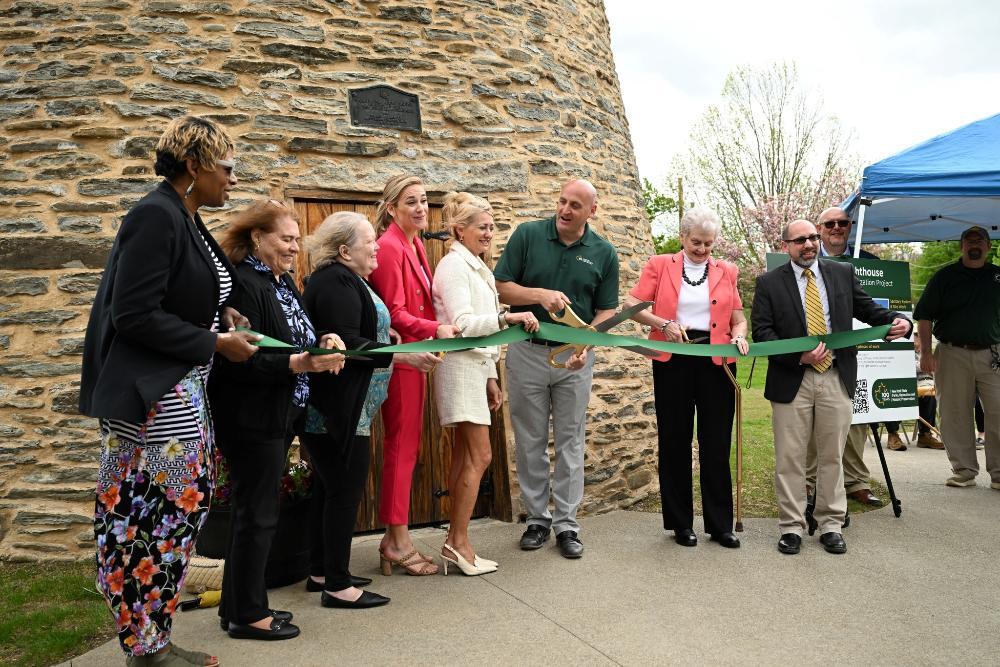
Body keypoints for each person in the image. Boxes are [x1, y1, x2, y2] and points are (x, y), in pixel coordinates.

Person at [80, 115, 260, 666]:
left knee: (177, 514)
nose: (233, 179)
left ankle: (153, 639)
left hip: (181, 388)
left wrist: (220, 311)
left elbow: (180, 292)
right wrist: (214, 342)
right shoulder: (154, 216)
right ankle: (146, 647)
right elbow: (131, 314)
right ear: (194, 166)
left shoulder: (185, 216)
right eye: (226, 168)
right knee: (153, 520)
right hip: (154, 396)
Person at [209, 200, 345, 639]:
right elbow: (242, 363)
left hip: (277, 413)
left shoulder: (281, 282)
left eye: (296, 241)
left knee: (255, 510)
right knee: (259, 514)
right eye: (286, 239)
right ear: (257, 238)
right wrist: (301, 364)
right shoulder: (246, 284)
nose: (294, 248)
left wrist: (323, 339)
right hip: (250, 416)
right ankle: (250, 614)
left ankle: (237, 607)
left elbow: (297, 335)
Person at [301, 211, 440, 604]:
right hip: (336, 409)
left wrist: (387, 336)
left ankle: (320, 571)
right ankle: (338, 585)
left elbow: (358, 332)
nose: (376, 246)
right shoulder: (334, 282)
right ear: (345, 250)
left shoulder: (344, 280)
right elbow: (347, 341)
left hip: (345, 407)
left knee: (329, 489)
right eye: (368, 241)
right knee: (344, 489)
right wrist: (404, 357)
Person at [751, 219, 911, 555]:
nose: (808, 245)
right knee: (790, 458)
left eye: (812, 238)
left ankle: (830, 524)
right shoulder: (768, 283)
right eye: (799, 241)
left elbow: (869, 310)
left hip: (836, 377)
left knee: (831, 457)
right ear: (786, 246)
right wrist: (801, 355)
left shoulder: (841, 273)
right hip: (791, 380)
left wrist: (901, 320)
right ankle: (791, 527)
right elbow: (763, 333)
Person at [495, 178, 620, 559]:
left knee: (570, 441)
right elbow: (502, 287)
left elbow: (608, 310)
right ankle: (537, 519)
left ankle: (567, 524)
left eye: (575, 206)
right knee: (530, 439)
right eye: (562, 202)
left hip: (575, 358)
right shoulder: (527, 235)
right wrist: (539, 295)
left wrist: (585, 345)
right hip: (526, 352)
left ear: (592, 211)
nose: (565, 210)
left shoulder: (604, 252)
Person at [624, 208, 748, 549]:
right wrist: (663, 324)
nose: (703, 250)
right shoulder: (660, 264)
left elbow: (738, 318)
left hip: (717, 362)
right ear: (682, 237)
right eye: (696, 242)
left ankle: (721, 525)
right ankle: (681, 524)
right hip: (673, 358)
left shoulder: (728, 270)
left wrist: (739, 335)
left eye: (709, 244)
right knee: (676, 441)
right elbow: (633, 305)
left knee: (716, 442)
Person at [431, 192, 538, 575]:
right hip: (460, 367)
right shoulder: (454, 267)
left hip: (478, 368)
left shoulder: (477, 265)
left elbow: (482, 325)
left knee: (465, 458)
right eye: (482, 227)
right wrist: (507, 319)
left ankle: (454, 542)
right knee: (480, 457)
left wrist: (492, 376)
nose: (489, 233)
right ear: (460, 229)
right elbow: (461, 325)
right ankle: (458, 543)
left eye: (492, 227)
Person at [368, 175, 460, 575]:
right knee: (400, 449)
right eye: (411, 202)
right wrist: (433, 331)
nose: (421, 208)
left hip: (417, 357)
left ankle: (396, 537)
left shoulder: (416, 243)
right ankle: (396, 541)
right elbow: (395, 312)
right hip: (402, 360)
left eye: (424, 201)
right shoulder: (389, 247)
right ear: (392, 208)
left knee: (408, 448)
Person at [809, 206, 886, 504]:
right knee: (815, 419)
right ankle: (811, 484)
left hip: (861, 352)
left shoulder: (868, 262)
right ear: (820, 228)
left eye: (843, 223)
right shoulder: (808, 259)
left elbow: (873, 306)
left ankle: (856, 482)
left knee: (857, 416)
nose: (837, 228)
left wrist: (895, 321)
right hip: (817, 354)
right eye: (830, 224)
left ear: (850, 226)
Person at [914, 225, 1000, 489]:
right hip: (951, 353)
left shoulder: (998, 275)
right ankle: (964, 471)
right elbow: (925, 316)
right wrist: (926, 353)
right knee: (954, 414)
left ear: (988, 246)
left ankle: (999, 474)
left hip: (993, 354)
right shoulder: (945, 277)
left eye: (980, 240)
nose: (975, 244)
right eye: (969, 240)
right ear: (962, 246)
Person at [913, 336, 944, 449]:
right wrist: (927, 366)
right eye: (915, 336)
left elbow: (937, 368)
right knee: (929, 395)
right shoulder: (905, 352)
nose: (917, 339)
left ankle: (950, 432)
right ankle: (925, 434)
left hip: (932, 382)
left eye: (918, 336)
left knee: (944, 394)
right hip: (915, 383)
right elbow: (913, 367)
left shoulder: (929, 353)